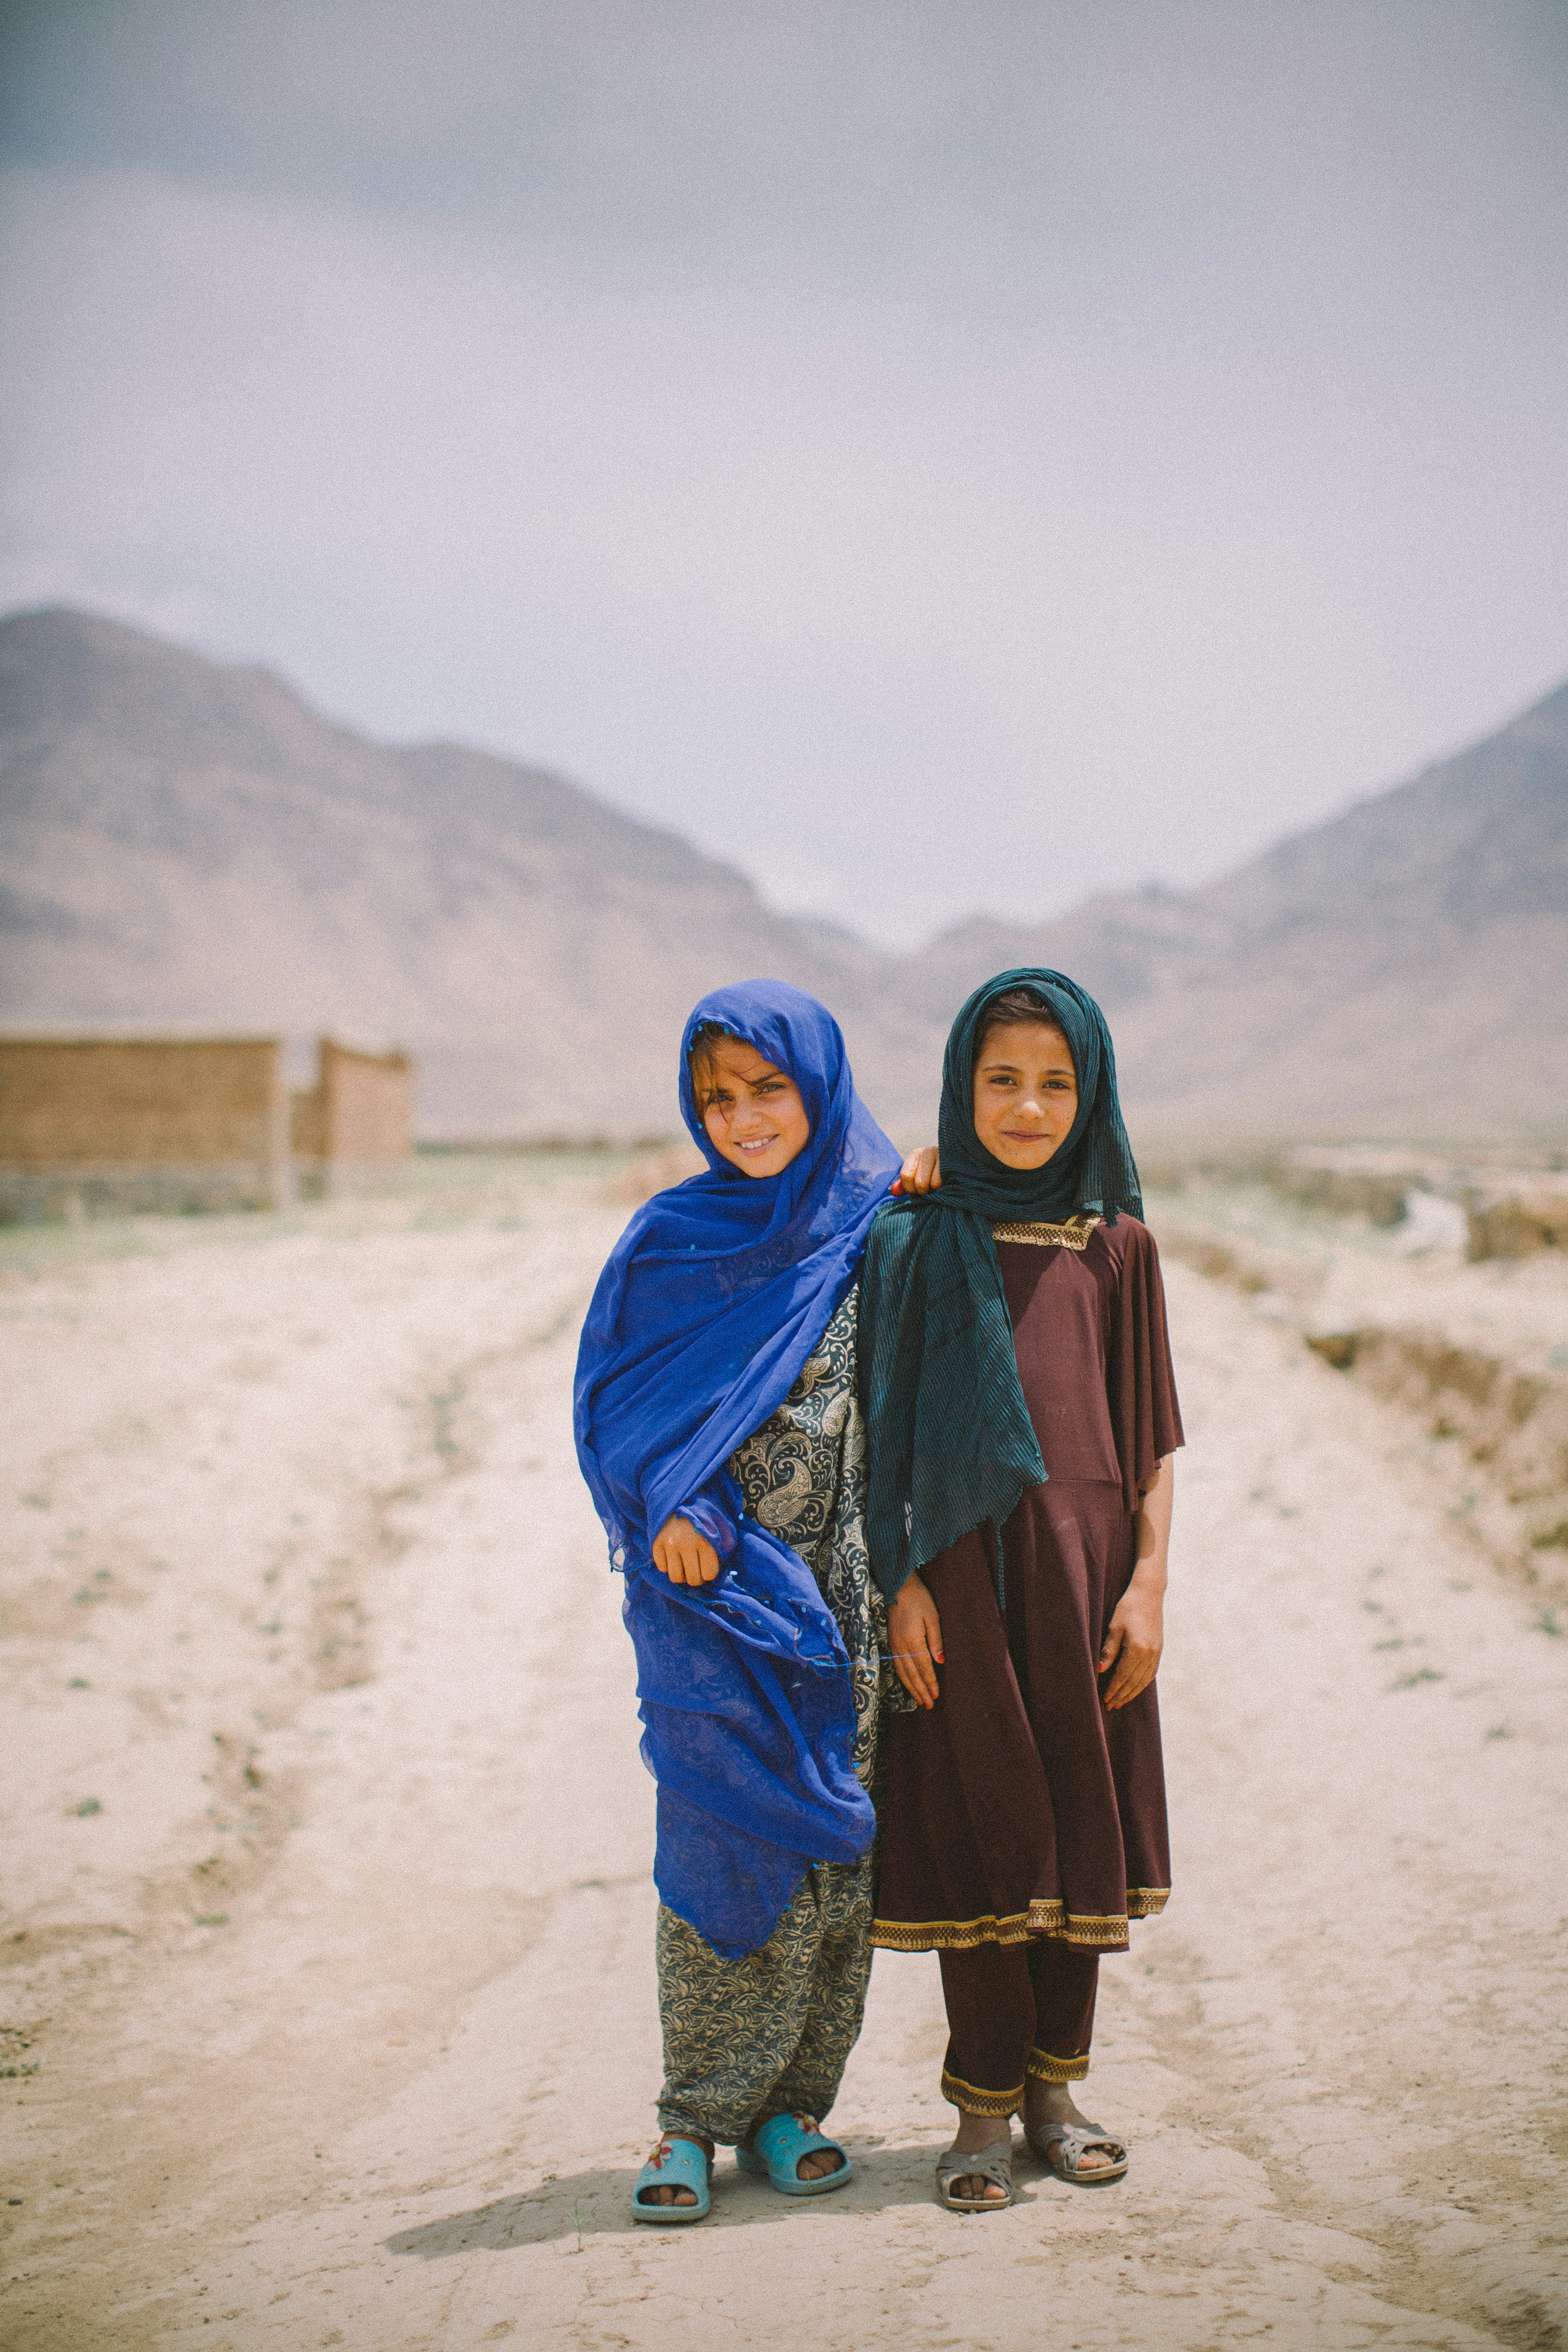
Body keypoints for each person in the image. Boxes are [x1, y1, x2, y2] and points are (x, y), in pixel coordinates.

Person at [574, 978, 936, 2223]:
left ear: (820, 1088)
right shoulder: (671, 1244)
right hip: (713, 1598)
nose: (742, 1119)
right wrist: (675, 1507)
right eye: (718, 1097)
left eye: (768, 1089)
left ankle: (793, 2108)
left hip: (850, 1591)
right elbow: (615, 1411)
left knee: (837, 1850)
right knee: (718, 1840)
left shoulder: (877, 1228)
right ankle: (692, 2119)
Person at [859, 968, 1181, 2212]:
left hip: (1090, 1586)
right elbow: (885, 1429)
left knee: (1074, 1831)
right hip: (964, 1581)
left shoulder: (1122, 1247)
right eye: (1002, 1082)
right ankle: (980, 2116)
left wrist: (1148, 1586)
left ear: (1091, 1092)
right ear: (961, 1085)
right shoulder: (914, 1234)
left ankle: (1058, 2094)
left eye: (1057, 1083)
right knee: (987, 1830)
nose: (1030, 1108)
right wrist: (902, 1586)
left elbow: (1149, 1444)